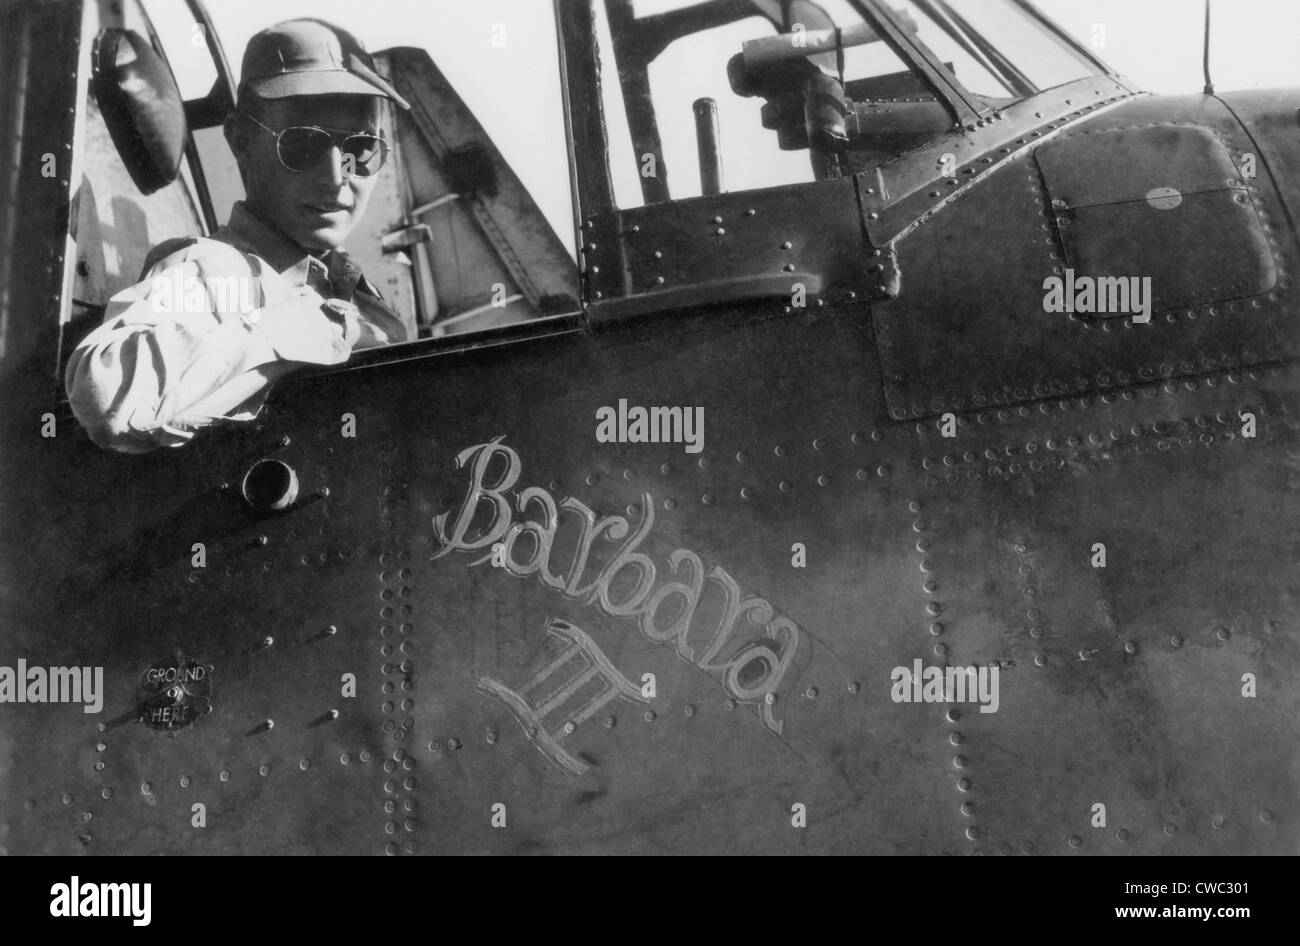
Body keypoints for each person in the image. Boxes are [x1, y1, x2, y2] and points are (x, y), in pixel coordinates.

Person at [66, 18, 411, 454]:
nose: (335, 178)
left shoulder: (345, 284)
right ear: (240, 141)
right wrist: (309, 326)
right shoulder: (216, 271)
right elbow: (108, 393)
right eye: (302, 144)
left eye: (361, 149)